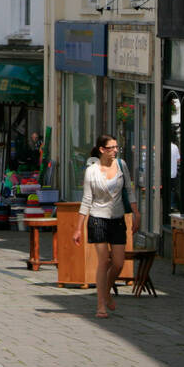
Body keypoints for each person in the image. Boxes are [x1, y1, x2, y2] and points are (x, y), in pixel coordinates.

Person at [76, 134, 141, 319]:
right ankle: (101, 304)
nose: (115, 150)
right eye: (111, 147)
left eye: (116, 147)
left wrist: (136, 213)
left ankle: (105, 292)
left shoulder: (121, 165)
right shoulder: (92, 171)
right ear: (102, 150)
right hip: (98, 219)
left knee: (119, 263)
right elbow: (87, 200)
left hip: (118, 218)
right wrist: (78, 228)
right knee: (104, 260)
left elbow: (129, 189)